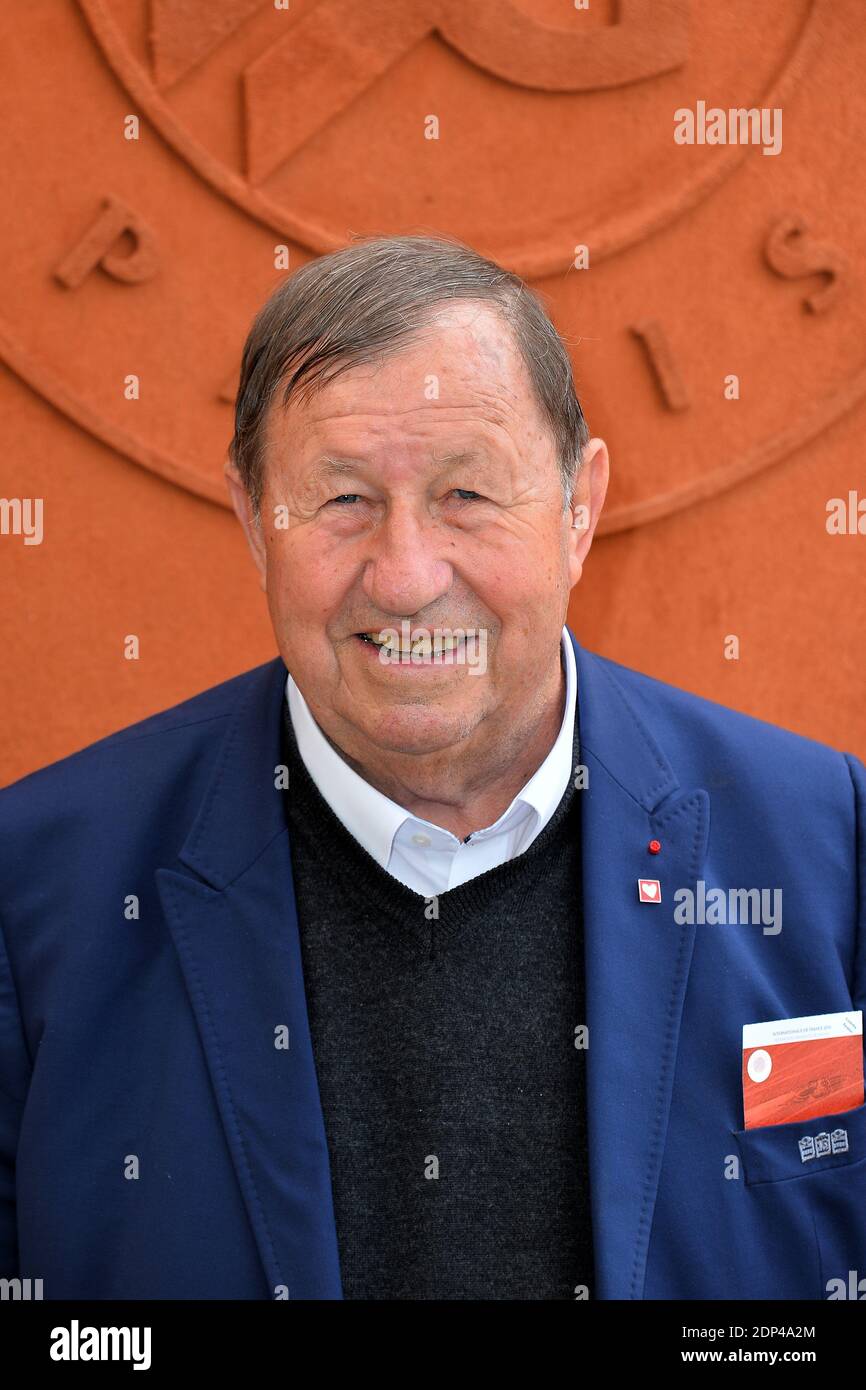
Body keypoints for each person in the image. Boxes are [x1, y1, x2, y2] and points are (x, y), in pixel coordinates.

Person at [0, 234, 863, 1301]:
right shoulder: (40, 885)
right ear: (253, 520)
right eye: (342, 499)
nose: (405, 578)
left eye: (466, 493)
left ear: (577, 507)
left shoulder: (826, 841)